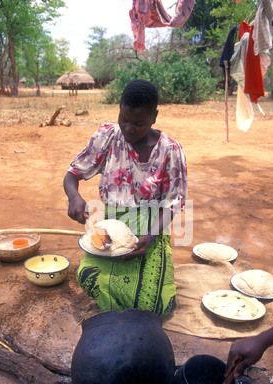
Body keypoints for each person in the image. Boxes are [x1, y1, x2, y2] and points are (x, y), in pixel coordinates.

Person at [63, 79, 187, 318]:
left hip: (151, 229)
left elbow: (175, 204)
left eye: (138, 123)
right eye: (124, 119)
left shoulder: (170, 150)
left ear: (154, 116)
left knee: (155, 304)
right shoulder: (108, 137)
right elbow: (72, 174)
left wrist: (150, 236)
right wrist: (74, 197)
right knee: (89, 277)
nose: (128, 128)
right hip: (110, 228)